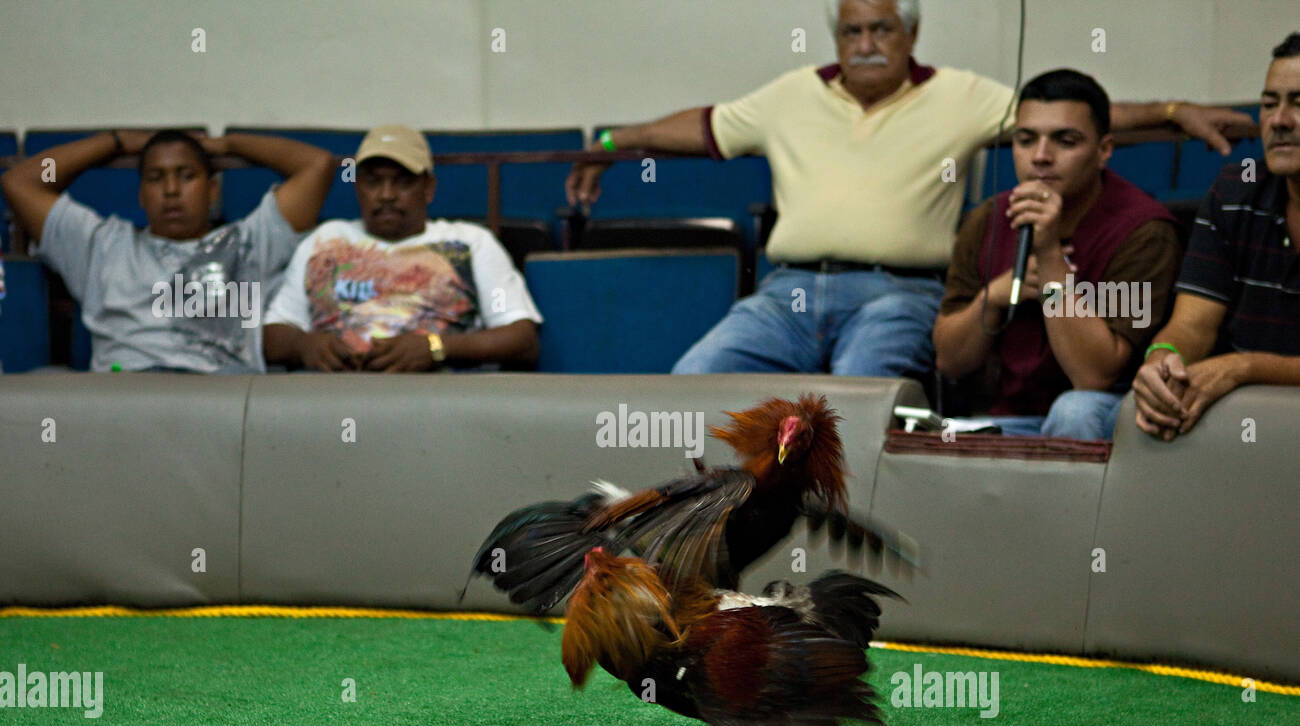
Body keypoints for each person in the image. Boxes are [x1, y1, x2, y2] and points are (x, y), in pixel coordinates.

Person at [567, 0, 1252, 379]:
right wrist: (608, 144)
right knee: (693, 382)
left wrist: (1169, 113)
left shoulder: (960, 95)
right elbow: (705, 127)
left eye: (881, 28)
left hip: (898, 294)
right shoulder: (789, 95)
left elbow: (1067, 121)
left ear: (911, 33)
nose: (865, 42)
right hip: (785, 293)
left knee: (860, 402)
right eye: (852, 29)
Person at [932, 69, 1182, 440]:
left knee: (1073, 412)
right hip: (1009, 417)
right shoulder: (988, 219)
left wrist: (1050, 257)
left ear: (1104, 151)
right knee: (935, 436)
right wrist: (995, 296)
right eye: (1026, 139)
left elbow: (1095, 375)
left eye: (1065, 141)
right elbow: (950, 360)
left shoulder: (1144, 231)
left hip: (1104, 415)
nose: (1041, 157)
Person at [0, 128, 335, 372]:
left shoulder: (250, 241)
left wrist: (226, 144)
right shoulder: (101, 244)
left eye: (186, 175)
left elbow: (317, 165)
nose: (172, 190)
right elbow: (21, 181)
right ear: (141, 195)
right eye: (156, 178)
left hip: (221, 397)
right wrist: (116, 142)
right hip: (127, 398)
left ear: (212, 190)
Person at [262, 125, 541, 372]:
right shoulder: (325, 240)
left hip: (436, 399)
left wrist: (435, 348)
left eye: (403, 181)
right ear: (358, 186)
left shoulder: (470, 243)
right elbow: (273, 334)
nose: (386, 195)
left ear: (428, 188)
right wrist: (304, 345)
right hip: (333, 397)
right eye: (373, 181)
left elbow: (519, 337)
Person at [1133, 33, 1300, 441]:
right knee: (1139, 416)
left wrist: (1244, 368)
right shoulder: (1235, 190)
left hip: (1262, 401)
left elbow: (1235, 367)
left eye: (1299, 103)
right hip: (1243, 419)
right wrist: (1162, 359)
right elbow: (1192, 326)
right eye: (1268, 103)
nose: (1279, 120)